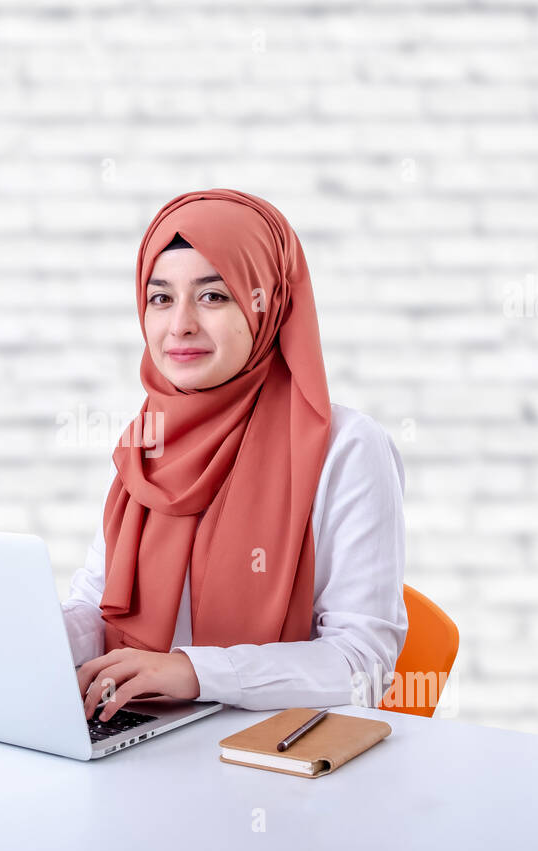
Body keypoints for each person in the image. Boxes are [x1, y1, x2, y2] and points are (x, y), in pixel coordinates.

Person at [61, 188, 408, 722]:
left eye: (213, 296)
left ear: (267, 304)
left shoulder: (346, 447)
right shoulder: (146, 439)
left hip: (270, 758)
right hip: (138, 734)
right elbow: (98, 599)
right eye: (160, 298)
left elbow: (363, 663)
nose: (179, 325)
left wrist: (193, 671)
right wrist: (36, 635)